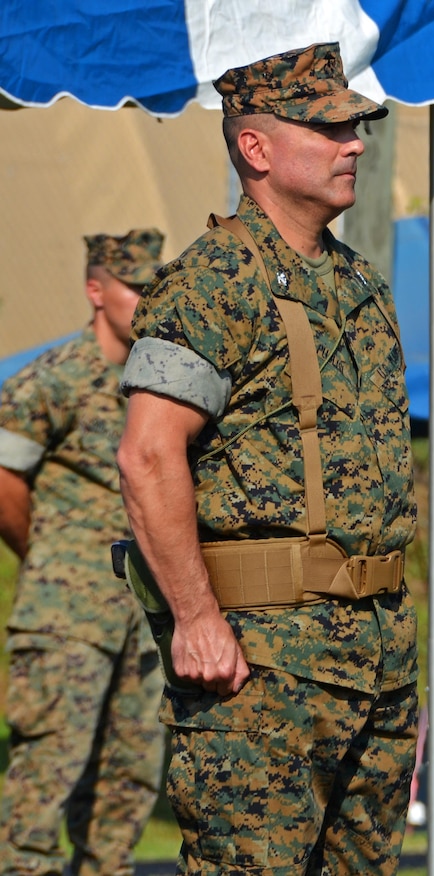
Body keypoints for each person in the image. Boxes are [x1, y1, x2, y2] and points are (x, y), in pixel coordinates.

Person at [116, 42, 419, 874]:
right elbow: (148, 455)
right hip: (263, 671)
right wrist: (197, 618)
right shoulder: (213, 282)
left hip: (376, 659)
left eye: (356, 127)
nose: (354, 143)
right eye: (328, 129)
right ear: (256, 149)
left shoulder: (360, 283)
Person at [0, 229, 167, 876]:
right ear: (96, 290)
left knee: (127, 779)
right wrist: (43, 549)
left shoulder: (153, 384)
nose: (147, 302)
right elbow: (4, 471)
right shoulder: (60, 375)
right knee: (48, 773)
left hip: (140, 615)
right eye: (135, 288)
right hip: (67, 615)